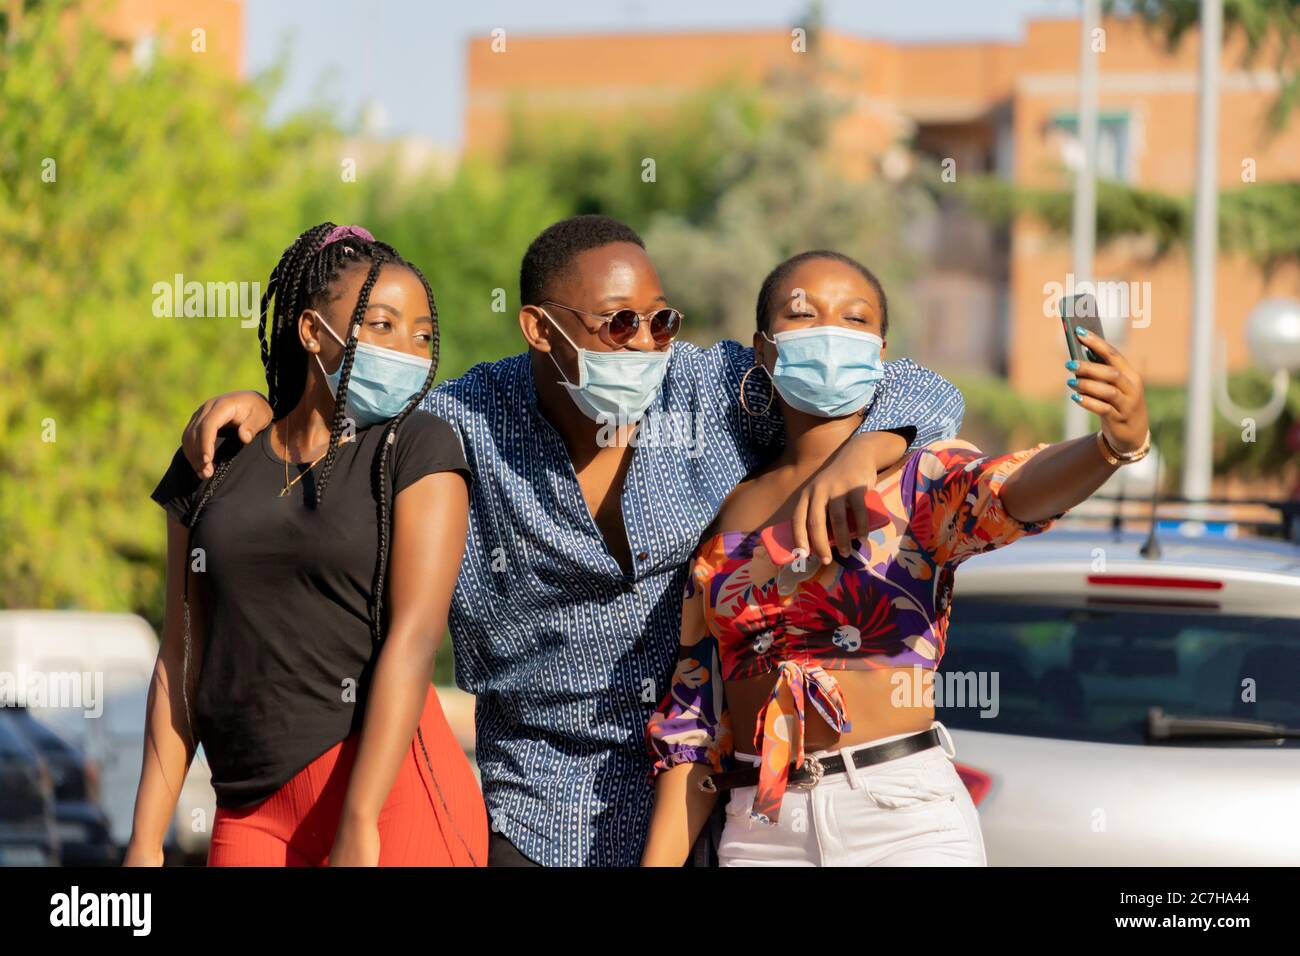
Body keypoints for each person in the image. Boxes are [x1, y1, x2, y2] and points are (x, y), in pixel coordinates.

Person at [176, 216, 965, 866]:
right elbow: (351, 421)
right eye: (618, 324)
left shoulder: (710, 392)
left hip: (697, 802)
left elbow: (914, 387)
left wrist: (872, 447)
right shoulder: (466, 424)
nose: (646, 344)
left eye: (661, 322)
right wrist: (263, 405)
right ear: (538, 327)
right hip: (532, 807)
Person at [642, 250, 1150, 867]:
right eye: (802, 314)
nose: (830, 331)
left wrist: (1110, 447)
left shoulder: (920, 477)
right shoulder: (724, 514)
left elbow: (1008, 491)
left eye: (855, 320)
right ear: (764, 348)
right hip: (760, 830)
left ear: (881, 353)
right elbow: (692, 727)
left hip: (901, 817)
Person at [125, 224, 487, 866]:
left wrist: (359, 822)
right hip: (250, 812)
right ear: (314, 332)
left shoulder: (419, 450)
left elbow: (415, 637)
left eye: (423, 334)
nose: (408, 349)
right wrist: (146, 842)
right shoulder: (213, 458)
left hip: (391, 797)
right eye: (381, 325)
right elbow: (181, 654)